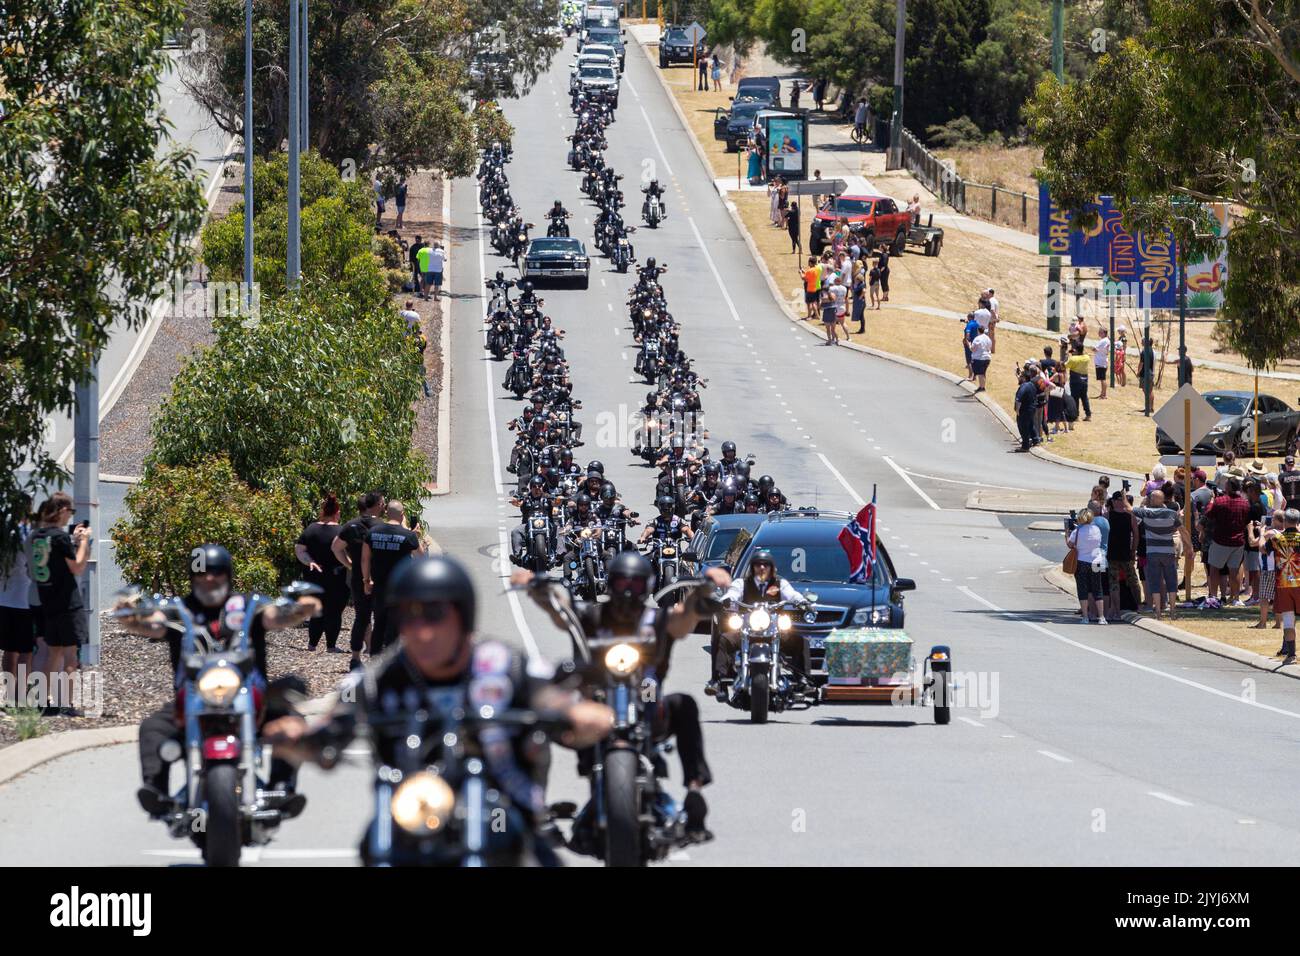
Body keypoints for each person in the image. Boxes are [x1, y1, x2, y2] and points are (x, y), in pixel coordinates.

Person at [267, 555, 616, 866]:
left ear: (462, 615)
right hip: (417, 805)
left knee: (538, 854)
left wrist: (576, 713)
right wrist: (301, 739)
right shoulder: (383, 677)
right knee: (374, 844)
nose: (420, 630)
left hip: (505, 803)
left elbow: (547, 696)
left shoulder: (501, 665)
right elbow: (334, 723)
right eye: (408, 616)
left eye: (433, 614)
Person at [515, 552, 731, 842]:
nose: (628, 591)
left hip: (649, 702)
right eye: (621, 583)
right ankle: (535, 806)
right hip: (592, 712)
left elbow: (684, 618)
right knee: (536, 715)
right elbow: (560, 611)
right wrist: (537, 589)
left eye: (636, 585)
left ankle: (694, 791)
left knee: (685, 704)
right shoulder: (592, 616)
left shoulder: (657, 619)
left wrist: (702, 590)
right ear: (609, 585)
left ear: (648, 587)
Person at [120, 543, 321, 815]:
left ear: (227, 574)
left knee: (293, 722)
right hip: (193, 697)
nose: (209, 578)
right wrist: (131, 617)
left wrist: (301, 608)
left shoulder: (248, 607)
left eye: (215, 572)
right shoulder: (179, 610)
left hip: (250, 696)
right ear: (192, 577)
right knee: (152, 728)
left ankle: (281, 789)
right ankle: (158, 794)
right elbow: (153, 624)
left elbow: (275, 616)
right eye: (201, 573)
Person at [28, 493, 90, 714]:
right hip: (67, 603)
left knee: (53, 653)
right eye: (70, 512)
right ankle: (68, 703)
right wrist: (82, 543)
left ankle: (43, 702)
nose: (69, 517)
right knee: (71, 655)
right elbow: (77, 567)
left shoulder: (38, 536)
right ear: (62, 510)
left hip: (48, 602)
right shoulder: (60, 538)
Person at [711, 549, 807, 688]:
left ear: (771, 567)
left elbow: (792, 595)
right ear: (752, 567)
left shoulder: (780, 583)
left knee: (800, 641)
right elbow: (732, 593)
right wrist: (726, 600)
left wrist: (802, 601)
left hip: (775, 631)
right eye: (758, 564)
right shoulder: (741, 583)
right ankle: (718, 679)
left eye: (765, 565)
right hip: (746, 630)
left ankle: (803, 680)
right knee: (724, 639)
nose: (762, 568)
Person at [362, 501, 426, 655]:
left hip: (380, 585)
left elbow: (365, 559)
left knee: (379, 622)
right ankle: (391, 658)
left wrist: (366, 580)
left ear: (386, 513)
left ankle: (375, 656)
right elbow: (422, 557)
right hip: (401, 587)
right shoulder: (408, 536)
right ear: (402, 514)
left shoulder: (372, 532)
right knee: (395, 623)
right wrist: (415, 537)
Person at [332, 491, 386, 671]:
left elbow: (335, 547)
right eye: (383, 503)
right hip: (378, 578)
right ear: (378, 504)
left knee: (361, 618)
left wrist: (349, 564)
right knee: (379, 618)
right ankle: (376, 655)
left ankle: (355, 657)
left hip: (357, 578)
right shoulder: (380, 526)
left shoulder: (350, 525)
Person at [296, 493, 349, 653]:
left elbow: (299, 550)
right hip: (337, 577)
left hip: (314, 577)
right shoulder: (342, 531)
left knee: (316, 611)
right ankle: (331, 646)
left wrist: (309, 561)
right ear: (337, 512)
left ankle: (312, 644)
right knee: (334, 612)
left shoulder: (310, 529)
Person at [0, 498, 36, 707]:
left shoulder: (5, 535)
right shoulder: (26, 535)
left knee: (8, 650)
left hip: (3, 599)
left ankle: (9, 693)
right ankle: (20, 695)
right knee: (25, 650)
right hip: (23, 600)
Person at [1132, 490, 1185, 619]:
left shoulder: (1147, 513)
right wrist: (1189, 547)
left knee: (1154, 582)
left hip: (1152, 552)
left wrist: (1124, 495)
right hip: (1167, 551)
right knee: (1171, 582)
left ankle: (1158, 613)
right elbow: (1182, 530)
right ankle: (1172, 611)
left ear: (1152, 500)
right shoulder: (1171, 514)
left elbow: (1128, 508)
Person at [1203, 476, 1250, 607]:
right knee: (1234, 571)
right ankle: (1235, 597)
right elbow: (1247, 520)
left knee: (1214, 569)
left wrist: (1212, 501)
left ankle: (1213, 595)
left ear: (1228, 487)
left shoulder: (1220, 501)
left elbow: (1209, 514)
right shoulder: (1245, 503)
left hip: (1221, 540)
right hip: (1238, 541)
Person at [1263, 510, 1300, 662]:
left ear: (1284, 521)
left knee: (1289, 620)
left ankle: (1291, 654)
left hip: (1284, 584)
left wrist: (1261, 535)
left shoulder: (1277, 538)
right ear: (1297, 522)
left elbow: (1263, 549)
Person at [1067, 510, 1107, 624]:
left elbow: (1070, 544)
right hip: (1097, 560)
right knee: (1098, 588)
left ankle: (1085, 616)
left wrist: (1067, 534)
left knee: (1083, 589)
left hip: (1082, 561)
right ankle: (1101, 616)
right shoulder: (1097, 529)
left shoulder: (1077, 531)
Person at [1106, 491, 1140, 617]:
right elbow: (1136, 535)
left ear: (1113, 502)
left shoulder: (1107, 515)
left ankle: (1116, 609)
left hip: (1112, 553)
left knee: (1114, 583)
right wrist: (1133, 550)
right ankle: (1138, 605)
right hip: (1125, 553)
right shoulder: (1130, 516)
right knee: (1132, 581)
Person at [1065, 343, 1092, 422]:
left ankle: (1076, 416)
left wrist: (1067, 356)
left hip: (1075, 379)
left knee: (1075, 398)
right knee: (1084, 397)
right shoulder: (1087, 358)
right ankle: (1088, 414)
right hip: (1084, 379)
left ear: (1076, 350)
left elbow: (1065, 366)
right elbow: (1085, 353)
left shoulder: (1073, 359)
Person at [1013, 367, 1037, 452]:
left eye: (1020, 376)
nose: (1019, 378)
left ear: (1024, 378)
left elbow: (1018, 400)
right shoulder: (1031, 384)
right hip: (1032, 408)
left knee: (1023, 427)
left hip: (1024, 410)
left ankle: (1025, 446)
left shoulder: (1024, 387)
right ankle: (1035, 440)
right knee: (1030, 425)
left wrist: (1017, 411)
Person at [969, 325, 992, 392]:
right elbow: (989, 347)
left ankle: (982, 388)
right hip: (987, 357)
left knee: (980, 373)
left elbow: (973, 349)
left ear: (978, 331)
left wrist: (969, 345)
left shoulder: (977, 338)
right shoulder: (988, 338)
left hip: (979, 358)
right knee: (983, 373)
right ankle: (982, 386)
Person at [1094, 325, 1111, 399]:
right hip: (1103, 360)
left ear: (1104, 333)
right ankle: (1102, 393)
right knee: (1102, 379)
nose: (1098, 333)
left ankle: (1104, 395)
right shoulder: (1107, 340)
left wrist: (1095, 350)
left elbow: (1095, 348)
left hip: (1101, 362)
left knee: (1102, 379)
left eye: (1100, 332)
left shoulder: (1103, 341)